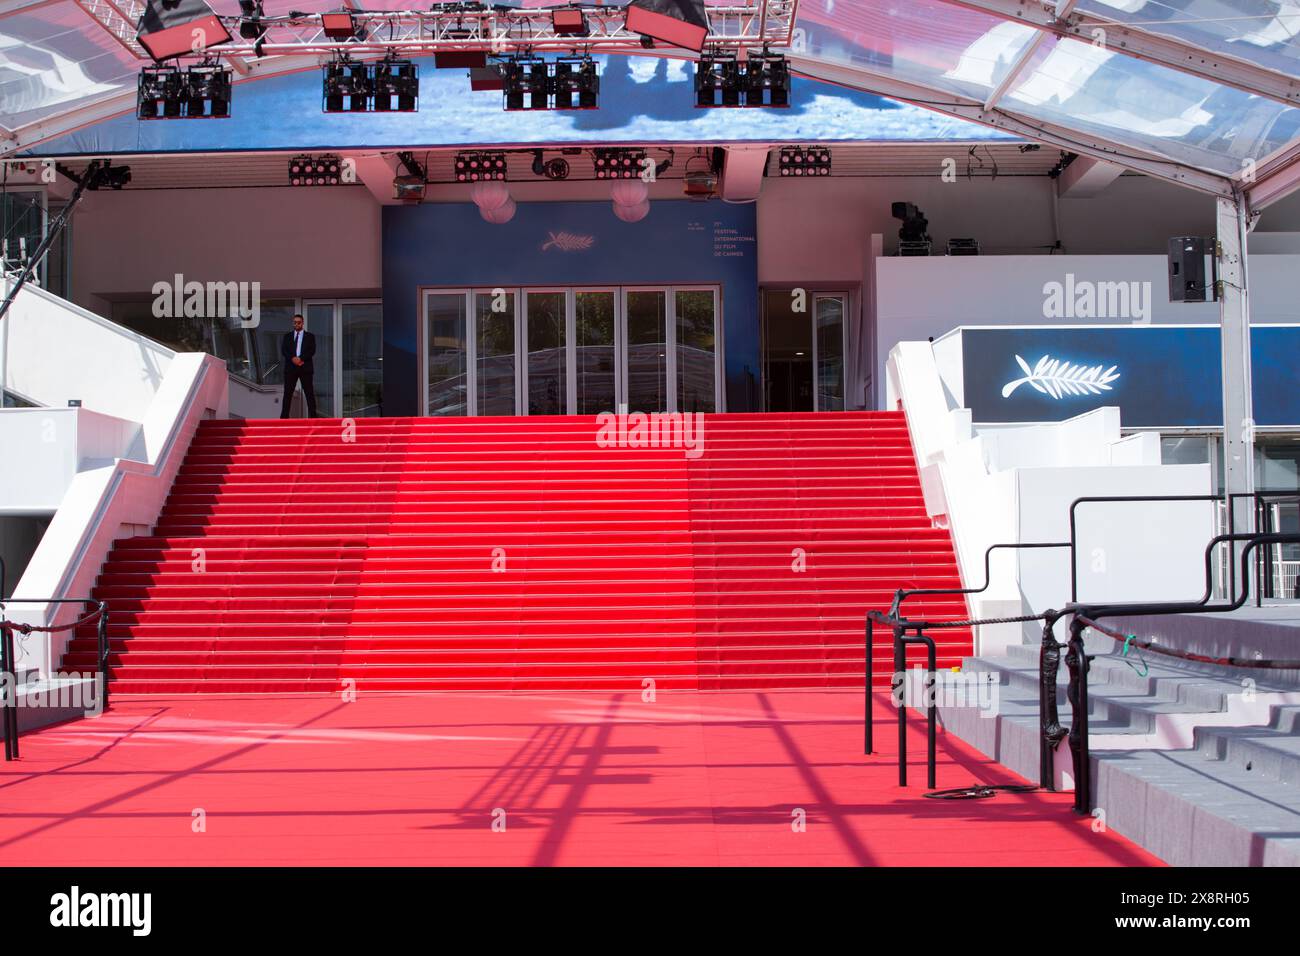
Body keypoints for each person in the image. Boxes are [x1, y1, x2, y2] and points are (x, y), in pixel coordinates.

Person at [280, 313, 319, 418]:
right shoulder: (287, 336)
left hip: (305, 368)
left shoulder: (310, 336)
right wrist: (293, 358)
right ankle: (284, 417)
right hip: (291, 368)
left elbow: (312, 351)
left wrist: (300, 358)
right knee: (288, 393)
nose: (296, 324)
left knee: (309, 393)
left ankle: (313, 416)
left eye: (299, 322)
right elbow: (284, 350)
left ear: (302, 323)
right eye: (295, 322)